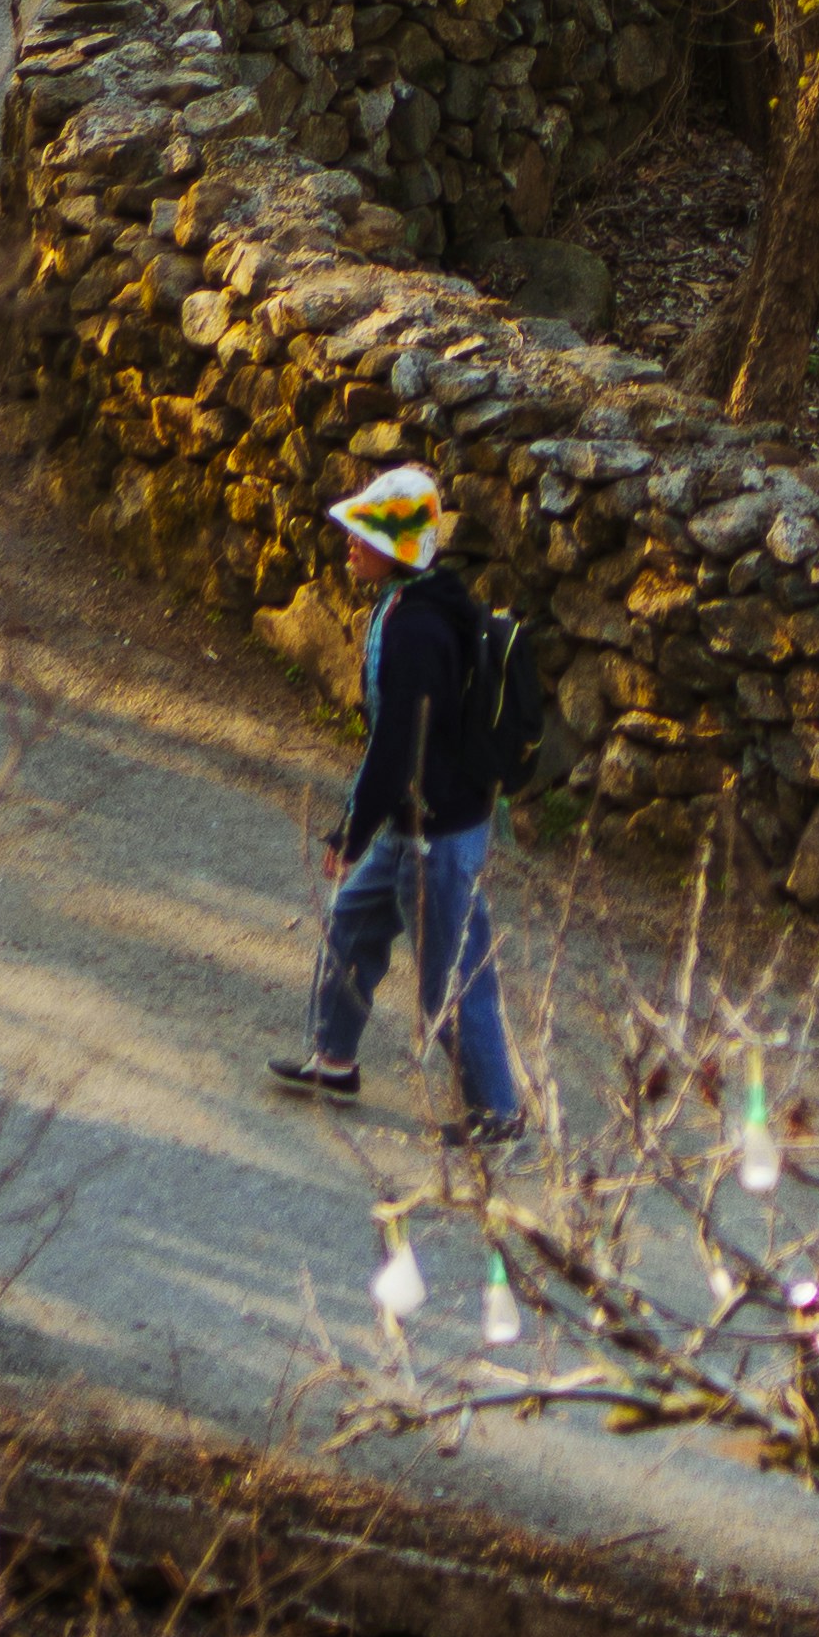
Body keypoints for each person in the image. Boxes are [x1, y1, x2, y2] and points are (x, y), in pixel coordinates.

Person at [268, 460, 526, 1142]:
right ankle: (333, 1057)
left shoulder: (416, 629)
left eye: (366, 533)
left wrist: (350, 832)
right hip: (412, 821)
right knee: (352, 921)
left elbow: (396, 745)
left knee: (452, 974)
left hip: (436, 832)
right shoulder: (418, 602)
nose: (350, 541)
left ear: (401, 550)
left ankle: (497, 1109)